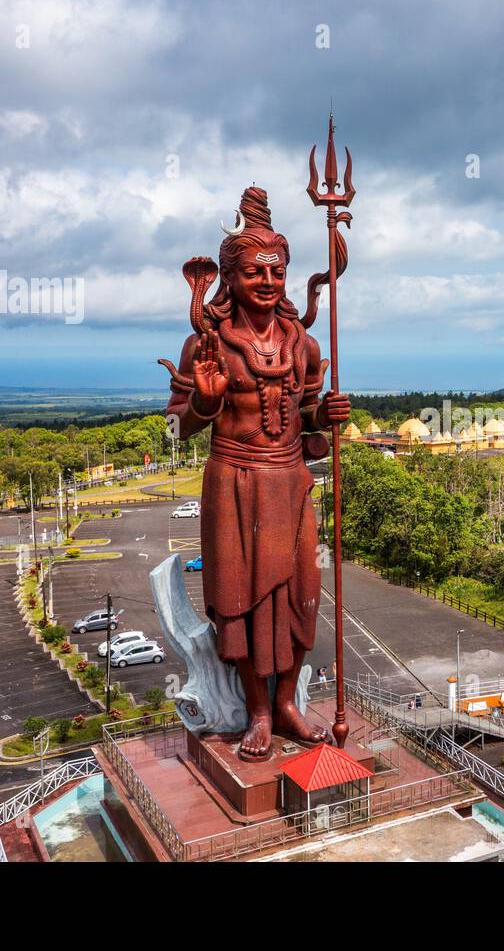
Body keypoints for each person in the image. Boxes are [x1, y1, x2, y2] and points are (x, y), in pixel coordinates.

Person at [160, 187, 350, 761]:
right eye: (252, 272)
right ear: (229, 278)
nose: (266, 282)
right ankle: (259, 713)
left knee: (298, 596)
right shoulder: (207, 343)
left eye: (276, 271)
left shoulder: (304, 343)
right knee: (242, 605)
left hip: (290, 480)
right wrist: (206, 404)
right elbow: (175, 427)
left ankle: (288, 703)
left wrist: (328, 413)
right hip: (235, 483)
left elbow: (310, 415)